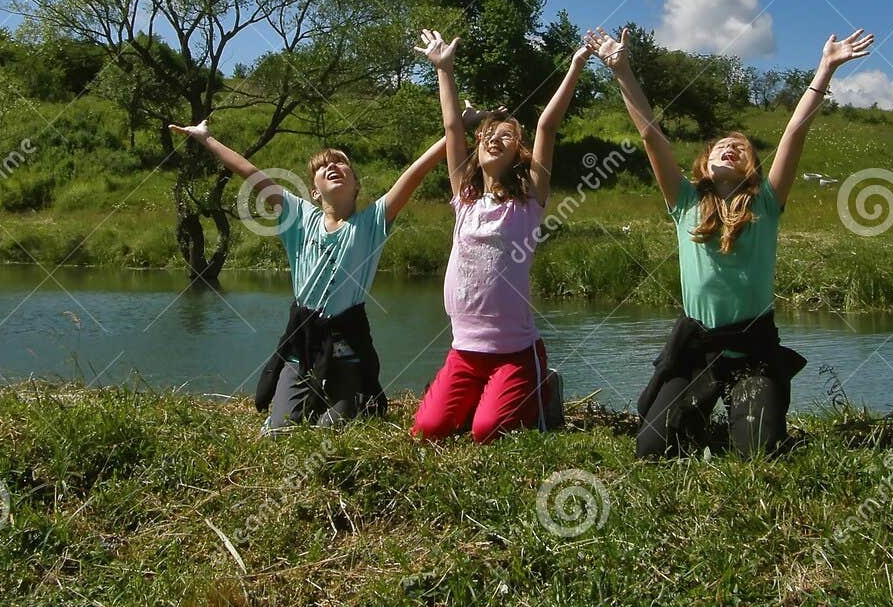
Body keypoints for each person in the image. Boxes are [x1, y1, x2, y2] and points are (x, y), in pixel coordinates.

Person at [584, 25, 875, 458]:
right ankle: (695, 417)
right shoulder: (684, 200)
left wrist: (825, 68)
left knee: (758, 450)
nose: (730, 148)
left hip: (753, 353)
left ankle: (745, 414)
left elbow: (795, 132)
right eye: (722, 146)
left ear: (751, 168)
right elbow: (650, 135)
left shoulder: (766, 202)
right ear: (705, 163)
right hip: (695, 351)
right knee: (652, 450)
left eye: (741, 148)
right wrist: (621, 69)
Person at [168, 119, 447, 432]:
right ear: (314, 191)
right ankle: (307, 398)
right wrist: (206, 138)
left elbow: (415, 173)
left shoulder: (373, 222)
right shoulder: (298, 216)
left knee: (333, 428)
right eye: (323, 166)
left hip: (347, 348)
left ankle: (349, 399)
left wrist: (454, 133)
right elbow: (251, 173)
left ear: (356, 185)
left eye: (341, 163)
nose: (333, 166)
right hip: (303, 346)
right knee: (281, 429)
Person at [410, 28, 591, 443]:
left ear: (518, 153)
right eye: (489, 134)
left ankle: (542, 385)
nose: (494, 137)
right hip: (465, 350)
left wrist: (576, 66)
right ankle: (480, 395)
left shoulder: (528, 203)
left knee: (487, 431)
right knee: (428, 430)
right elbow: (452, 128)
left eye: (506, 135)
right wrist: (444, 69)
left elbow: (547, 126)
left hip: (514, 352)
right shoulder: (464, 197)